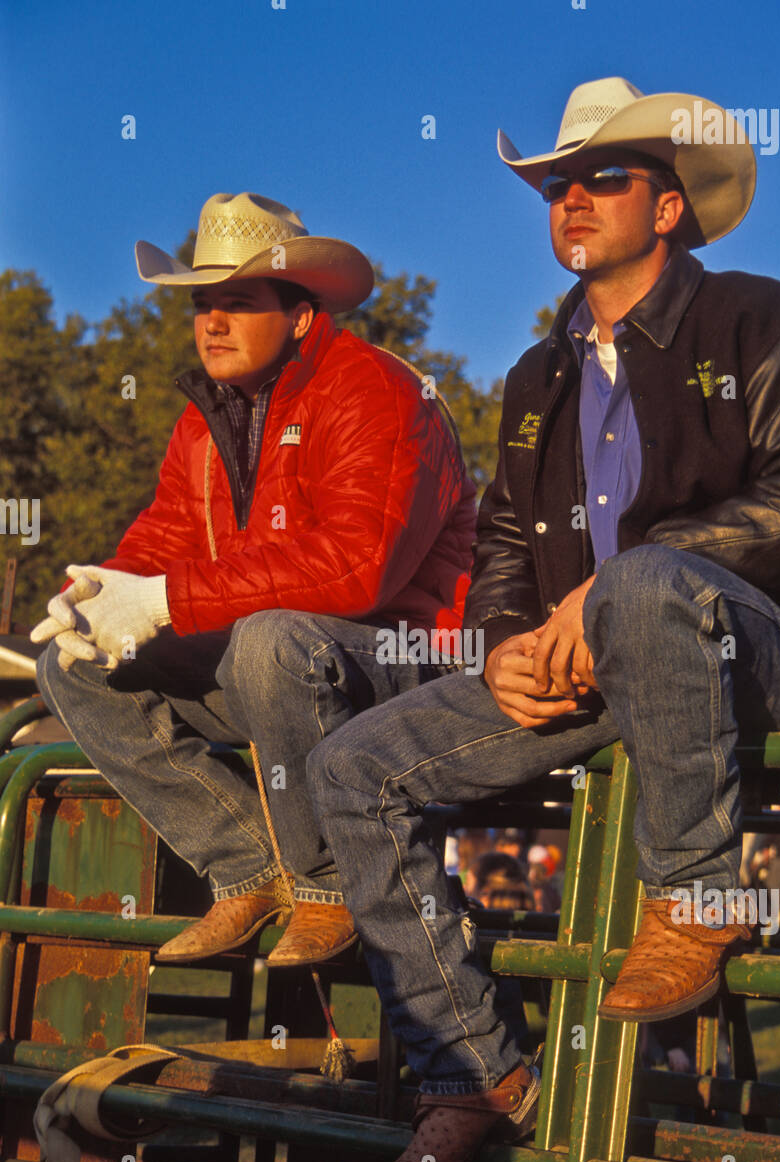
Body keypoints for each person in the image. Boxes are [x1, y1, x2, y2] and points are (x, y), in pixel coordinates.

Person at [304, 76, 780, 1162]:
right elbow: (505, 543)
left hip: (753, 646)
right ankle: (473, 1070)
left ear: (666, 207)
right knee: (347, 767)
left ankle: (699, 899)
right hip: (593, 662)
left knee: (649, 577)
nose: (570, 198)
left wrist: (609, 592)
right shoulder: (533, 375)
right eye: (556, 182)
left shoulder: (761, 317)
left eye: (601, 177)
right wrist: (506, 640)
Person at [31, 191, 476, 967]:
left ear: (302, 315)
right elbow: (163, 539)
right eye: (203, 304)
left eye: (237, 302)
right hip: (279, 669)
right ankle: (246, 868)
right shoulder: (202, 422)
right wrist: (94, 598)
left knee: (269, 642)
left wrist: (166, 599)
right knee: (69, 666)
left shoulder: (376, 390)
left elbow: (355, 568)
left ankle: (332, 885)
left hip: (411, 667)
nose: (212, 322)